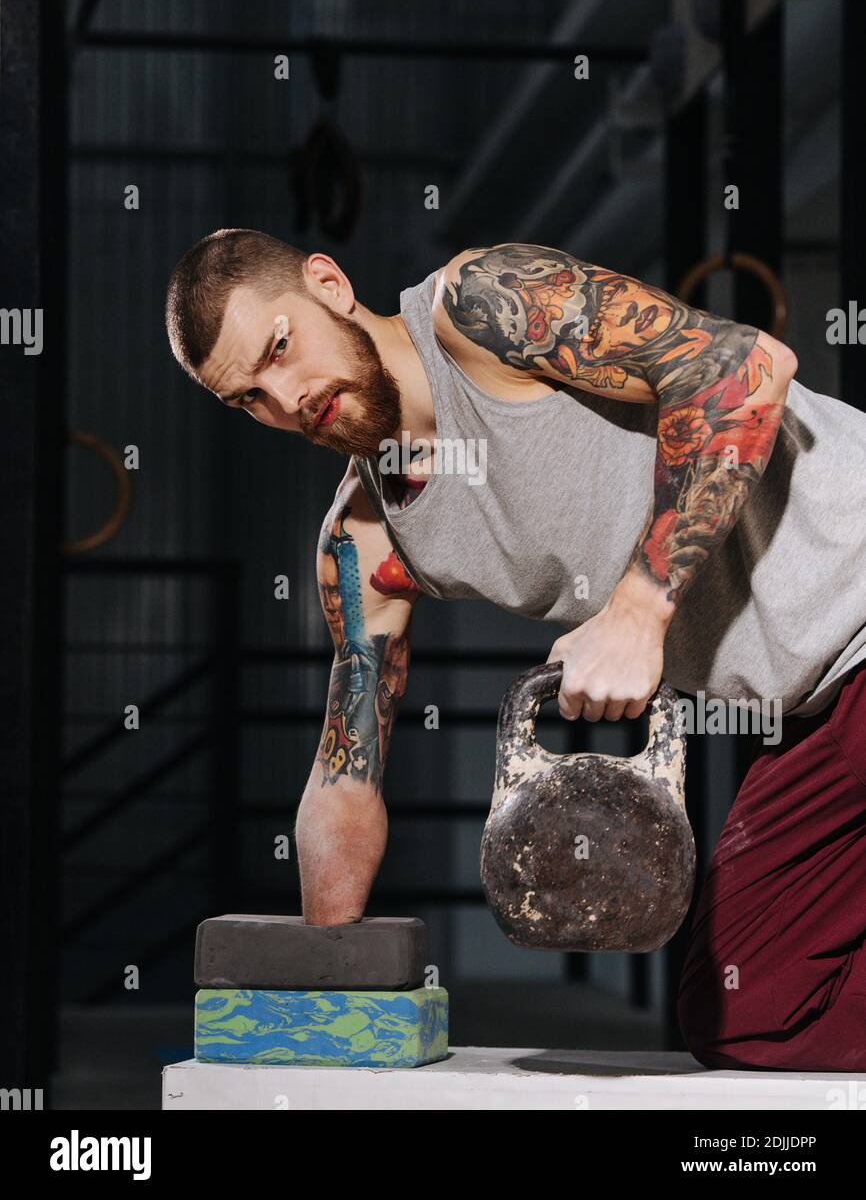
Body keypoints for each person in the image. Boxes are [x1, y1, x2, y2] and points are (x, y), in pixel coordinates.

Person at [166, 228, 866, 1069]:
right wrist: (325, 972)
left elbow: (745, 368)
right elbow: (346, 773)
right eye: (249, 398)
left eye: (280, 348)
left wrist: (637, 612)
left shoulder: (478, 306)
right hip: (826, 700)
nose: (288, 398)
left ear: (327, 283)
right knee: (750, 1010)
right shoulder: (362, 542)